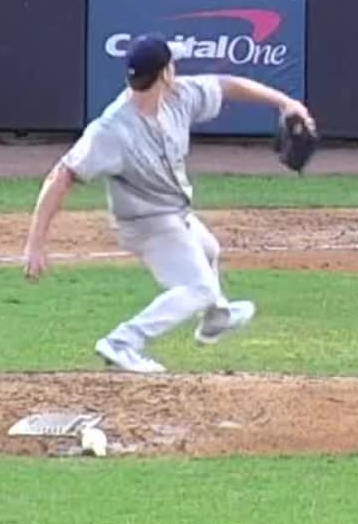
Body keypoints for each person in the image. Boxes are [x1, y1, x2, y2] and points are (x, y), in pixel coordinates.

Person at [22, 33, 316, 374]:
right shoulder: (112, 130)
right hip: (145, 224)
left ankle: (216, 318)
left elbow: (227, 85)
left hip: (175, 213)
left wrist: (285, 102)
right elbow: (61, 176)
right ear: (164, 73)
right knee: (197, 287)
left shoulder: (179, 96)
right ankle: (123, 341)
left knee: (208, 250)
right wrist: (35, 244)